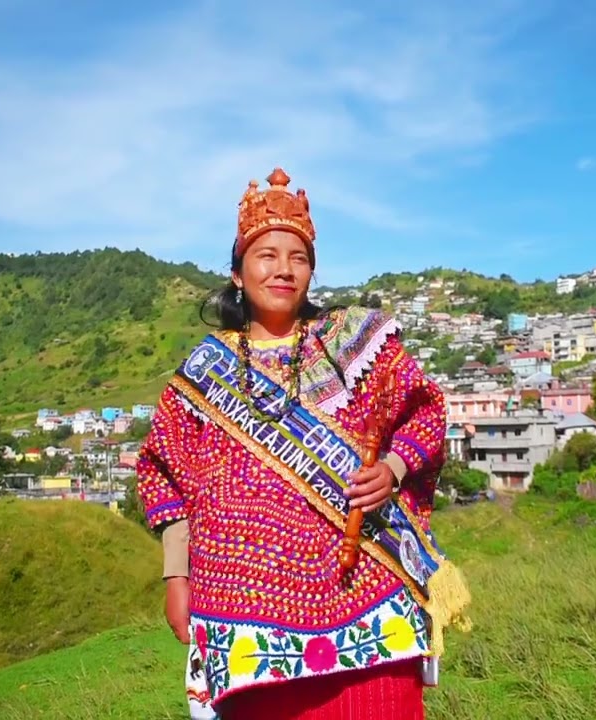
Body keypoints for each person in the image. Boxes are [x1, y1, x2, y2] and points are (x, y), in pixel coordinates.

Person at [135, 168, 471, 720]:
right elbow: (164, 473)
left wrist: (391, 468)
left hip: (364, 596)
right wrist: (177, 576)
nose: (284, 269)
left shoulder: (354, 344)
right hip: (242, 615)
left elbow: (424, 409)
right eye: (266, 255)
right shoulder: (202, 373)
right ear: (238, 272)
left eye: (299, 257)